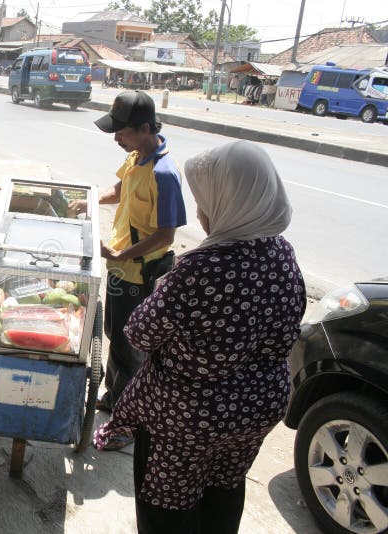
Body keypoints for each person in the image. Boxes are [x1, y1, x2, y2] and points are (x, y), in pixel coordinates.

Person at [94, 140, 306, 533]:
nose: (202, 213)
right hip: (256, 410)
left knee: (167, 506)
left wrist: (161, 290)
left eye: (206, 202)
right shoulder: (282, 253)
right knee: (224, 490)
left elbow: (140, 333)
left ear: (232, 202)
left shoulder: (202, 269)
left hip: (188, 420)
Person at [72, 90, 186, 449]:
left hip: (142, 273)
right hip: (122, 267)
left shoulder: (165, 174)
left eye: (122, 133)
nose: (117, 139)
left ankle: (128, 425)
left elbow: (166, 235)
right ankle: (114, 396)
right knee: (115, 334)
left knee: (133, 346)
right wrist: (89, 201)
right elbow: (121, 189)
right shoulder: (137, 156)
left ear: (146, 128)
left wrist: (122, 254)